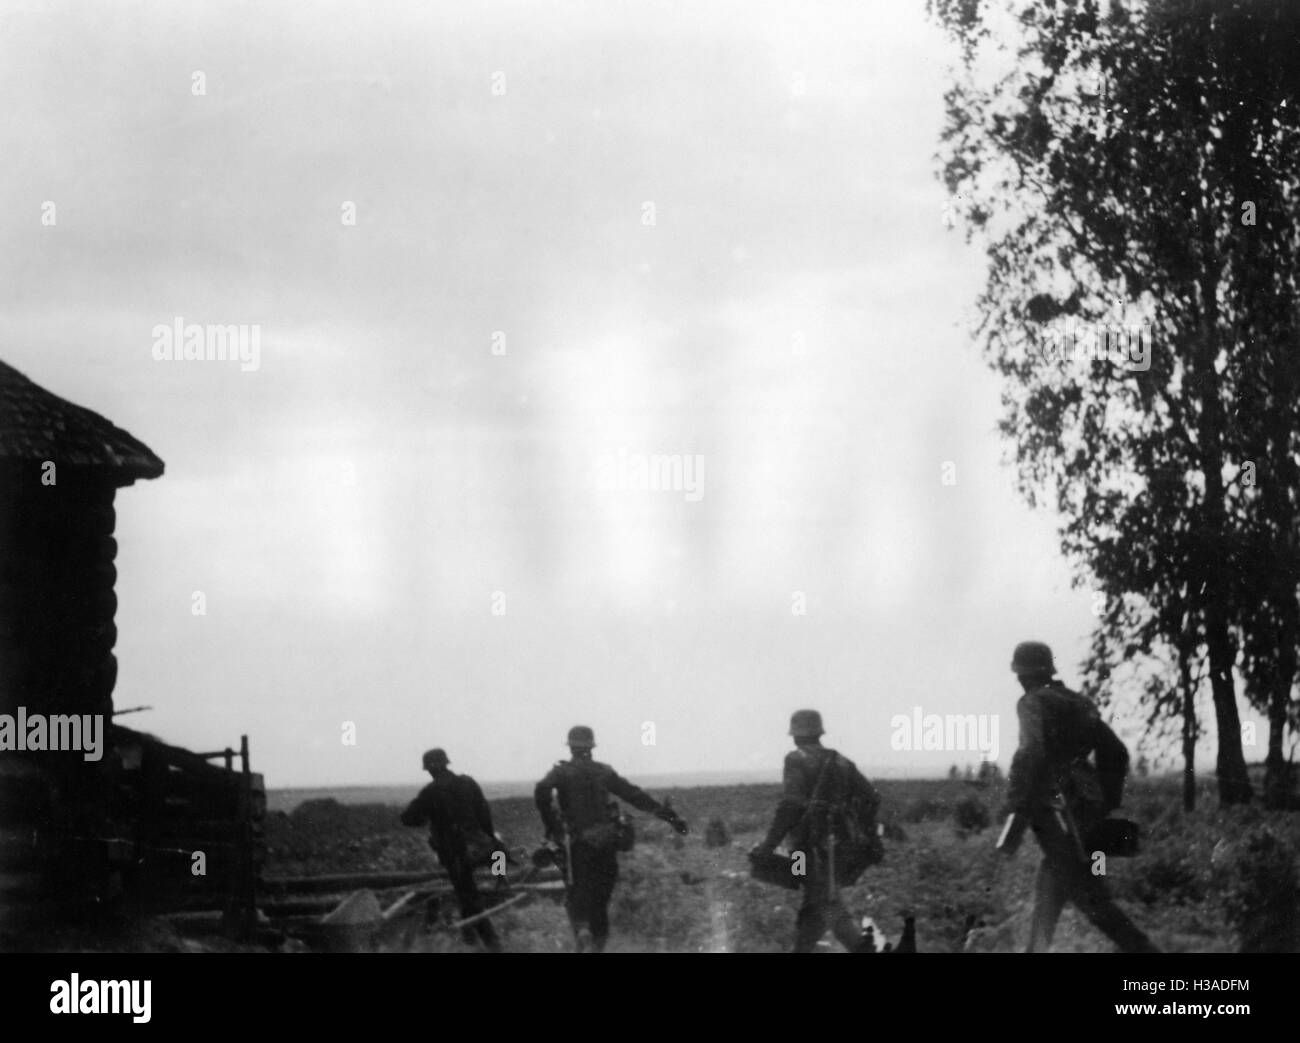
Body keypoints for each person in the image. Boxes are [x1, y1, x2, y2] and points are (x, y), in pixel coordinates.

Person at [999, 641, 1159, 953]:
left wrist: (1016, 801)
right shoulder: (1078, 702)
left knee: (1091, 900)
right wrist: (1106, 802)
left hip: (1057, 814)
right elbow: (1116, 751)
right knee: (1050, 888)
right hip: (1084, 807)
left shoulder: (1031, 703)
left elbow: (1032, 752)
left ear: (1022, 674)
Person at [534, 725, 689, 952]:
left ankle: (583, 933)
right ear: (591, 747)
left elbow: (541, 790)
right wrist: (672, 818)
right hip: (607, 842)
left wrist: (553, 827)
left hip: (578, 844)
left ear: (572, 748)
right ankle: (595, 944)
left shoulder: (561, 773)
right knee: (600, 902)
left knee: (576, 897)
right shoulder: (603, 772)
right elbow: (635, 795)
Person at [751, 709, 878, 953]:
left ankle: (863, 950)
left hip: (805, 851)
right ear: (819, 732)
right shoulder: (841, 762)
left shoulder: (796, 759)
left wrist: (768, 847)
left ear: (795, 735)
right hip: (839, 851)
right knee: (817, 899)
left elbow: (791, 805)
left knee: (824, 903)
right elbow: (871, 798)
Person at [400, 747, 504, 952]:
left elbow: (408, 818)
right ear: (447, 764)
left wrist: (427, 817)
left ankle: (493, 945)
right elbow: (485, 815)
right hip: (481, 847)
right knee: (470, 893)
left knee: (468, 897)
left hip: (455, 853)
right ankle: (470, 938)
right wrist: (491, 842)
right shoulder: (468, 782)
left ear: (429, 769)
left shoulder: (430, 792)